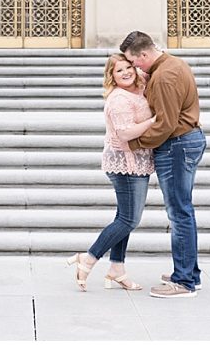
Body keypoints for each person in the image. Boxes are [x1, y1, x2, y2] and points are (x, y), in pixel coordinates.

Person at [119, 30, 206, 299]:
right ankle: (189, 273)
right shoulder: (172, 64)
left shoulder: (165, 76)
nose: (135, 68)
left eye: (135, 62)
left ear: (144, 54)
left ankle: (183, 282)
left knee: (179, 213)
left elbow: (165, 123)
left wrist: (134, 144)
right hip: (186, 141)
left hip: (177, 145)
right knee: (183, 210)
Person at [66, 53, 157, 292]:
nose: (126, 72)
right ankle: (88, 259)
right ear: (111, 76)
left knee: (123, 219)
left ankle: (117, 269)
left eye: (129, 67)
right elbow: (126, 133)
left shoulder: (139, 88)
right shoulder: (118, 99)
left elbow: (153, 64)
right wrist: (156, 121)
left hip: (137, 161)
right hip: (125, 165)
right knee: (129, 220)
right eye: (119, 70)